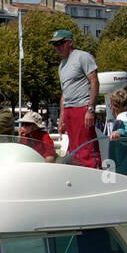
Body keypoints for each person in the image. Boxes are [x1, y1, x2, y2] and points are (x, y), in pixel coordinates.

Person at [51, 29, 100, 168]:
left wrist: (90, 109)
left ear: (70, 43)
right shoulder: (61, 66)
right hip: (69, 110)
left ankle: (95, 173)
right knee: (73, 148)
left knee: (86, 146)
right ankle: (79, 175)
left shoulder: (82, 57)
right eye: (55, 45)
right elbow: (64, 92)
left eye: (60, 43)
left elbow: (94, 81)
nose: (57, 47)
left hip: (82, 106)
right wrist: (61, 117)